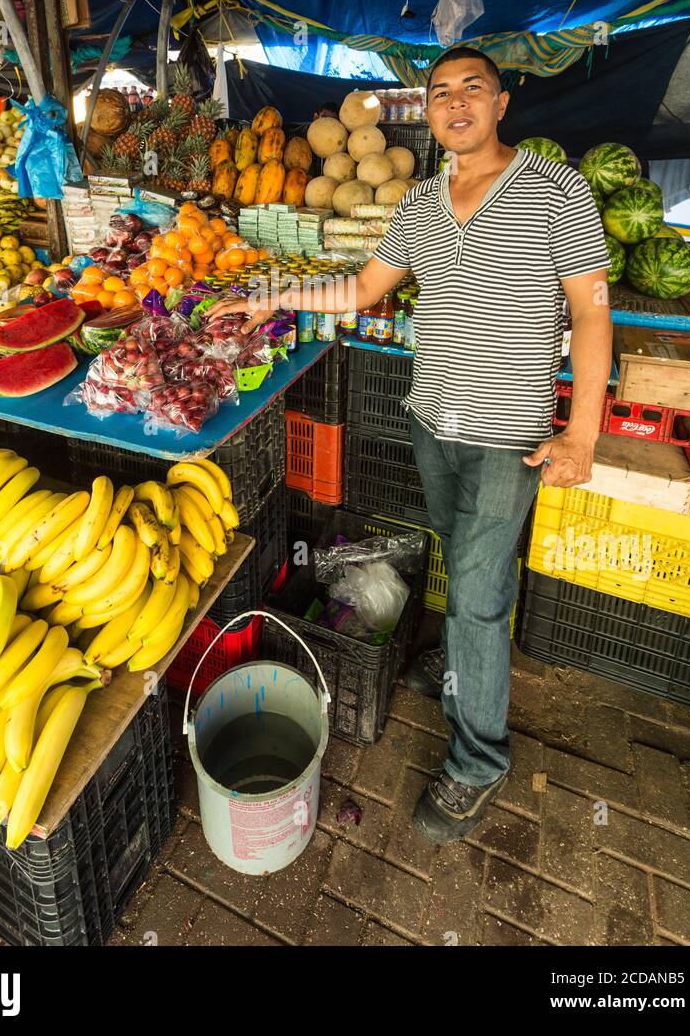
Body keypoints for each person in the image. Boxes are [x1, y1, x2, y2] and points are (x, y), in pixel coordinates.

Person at [207, 48, 612, 843]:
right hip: (434, 420)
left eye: (472, 90)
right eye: (440, 95)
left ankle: (478, 762)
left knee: (482, 591)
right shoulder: (423, 202)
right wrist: (278, 294)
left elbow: (593, 316)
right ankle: (463, 668)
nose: (455, 104)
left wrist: (583, 432)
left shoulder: (558, 192)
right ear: (424, 114)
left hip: (509, 437)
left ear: (500, 103)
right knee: (463, 563)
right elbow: (363, 291)